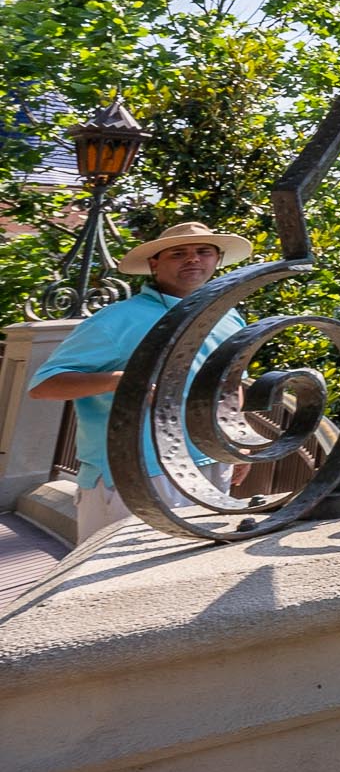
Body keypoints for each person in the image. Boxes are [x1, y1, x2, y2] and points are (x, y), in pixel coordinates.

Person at [26, 220, 249, 540]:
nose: (193, 259)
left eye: (204, 251)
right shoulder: (117, 318)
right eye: (179, 253)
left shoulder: (227, 315)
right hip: (137, 472)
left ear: (217, 259)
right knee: (110, 579)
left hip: (211, 461)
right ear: (154, 263)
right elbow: (44, 385)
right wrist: (120, 381)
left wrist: (236, 441)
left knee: (189, 573)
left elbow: (230, 383)